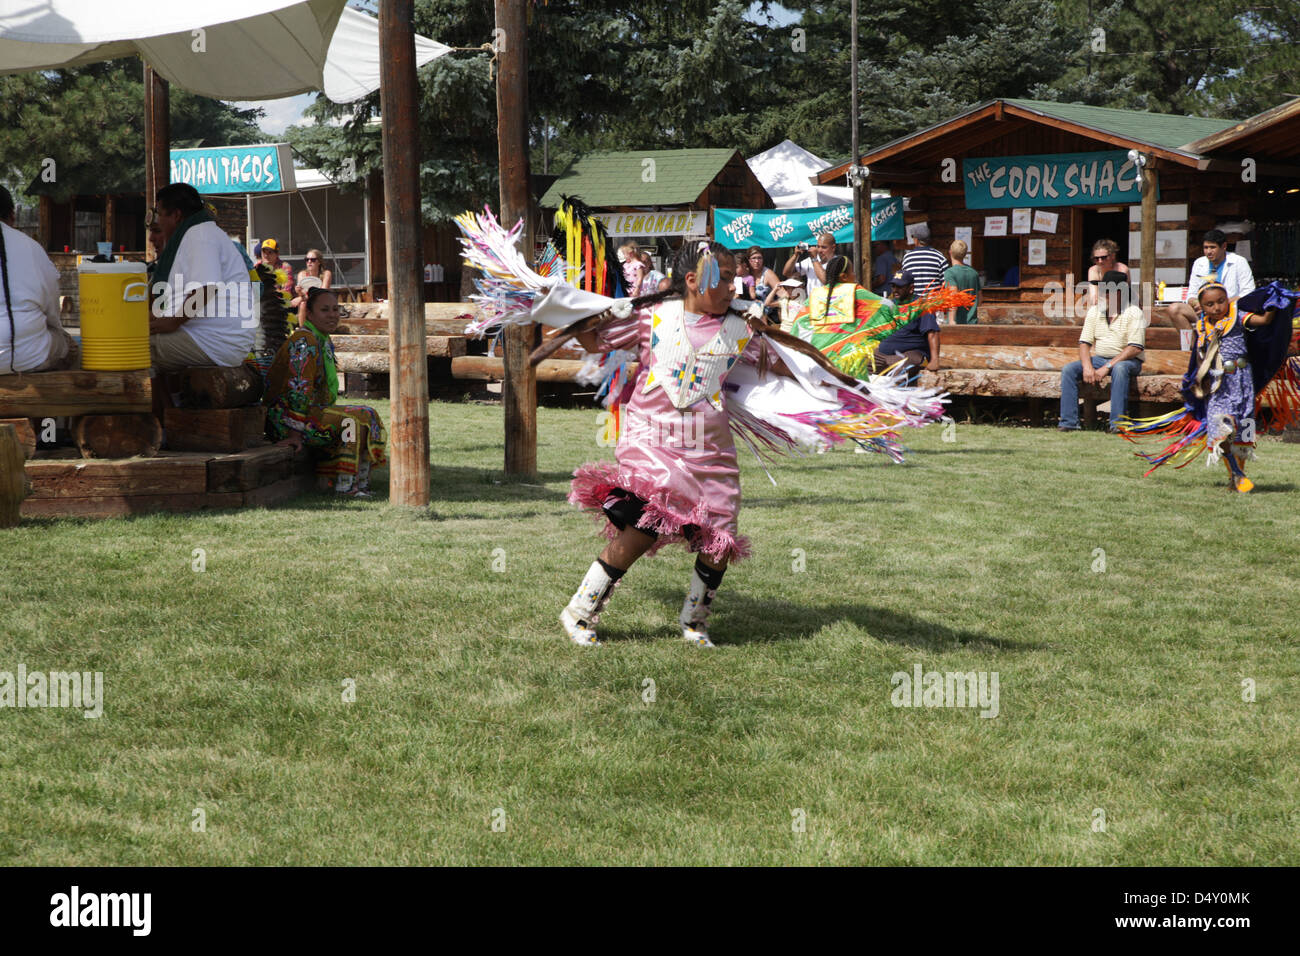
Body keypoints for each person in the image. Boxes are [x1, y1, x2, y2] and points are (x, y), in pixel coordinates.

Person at [1119, 281, 1299, 491]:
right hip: (1217, 387)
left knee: (1242, 433)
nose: (1217, 307)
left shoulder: (1237, 317)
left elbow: (1265, 320)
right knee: (1222, 429)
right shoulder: (1203, 327)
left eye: (1221, 302)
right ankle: (1238, 474)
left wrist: (1273, 301)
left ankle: (1236, 476)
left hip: (1241, 383)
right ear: (1202, 308)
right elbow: (1198, 358)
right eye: (1211, 304)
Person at [264, 287, 387, 496]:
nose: (332, 315)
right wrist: (294, 433)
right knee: (352, 422)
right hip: (284, 419)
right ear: (309, 314)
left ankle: (360, 483)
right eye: (325, 310)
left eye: (335, 309)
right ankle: (344, 485)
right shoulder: (305, 341)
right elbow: (298, 390)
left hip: (310, 413)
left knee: (369, 414)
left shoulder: (322, 339)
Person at [148, 183, 256, 372]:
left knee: (127, 346)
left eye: (160, 215)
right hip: (207, 337)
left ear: (176, 215)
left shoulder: (200, 235)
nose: (159, 222)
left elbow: (206, 288)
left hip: (215, 342)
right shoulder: (198, 233)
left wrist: (171, 322)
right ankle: (167, 402)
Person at [0, 185, 77, 373]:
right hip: (23, 358)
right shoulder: (30, 247)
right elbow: (52, 311)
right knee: (68, 344)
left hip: (18, 354)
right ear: (12, 216)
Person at [1057, 271, 1145, 432]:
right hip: (1100, 358)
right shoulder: (1094, 311)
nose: (1103, 293)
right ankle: (1068, 422)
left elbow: (1135, 348)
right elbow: (1084, 343)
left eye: (1107, 290)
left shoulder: (1134, 313)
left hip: (1129, 361)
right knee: (1069, 369)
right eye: (1103, 289)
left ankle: (1117, 424)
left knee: (1119, 368)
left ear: (1120, 292)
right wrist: (1087, 366)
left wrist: (1107, 367)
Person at [788, 256, 902, 379]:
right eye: (852, 271)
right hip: (848, 364)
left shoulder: (815, 295)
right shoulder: (855, 291)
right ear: (844, 277)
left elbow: (798, 324)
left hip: (815, 363)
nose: (855, 275)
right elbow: (888, 307)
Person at [1167, 229, 1255, 331]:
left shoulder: (1239, 262)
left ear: (1224, 246)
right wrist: (1198, 304)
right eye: (1206, 247)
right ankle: (1195, 345)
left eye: (1212, 247)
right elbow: (1191, 295)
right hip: (1204, 311)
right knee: (1174, 309)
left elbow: (1248, 292)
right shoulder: (1199, 263)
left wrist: (1223, 304)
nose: (1208, 252)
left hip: (1230, 311)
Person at [873, 271, 941, 374]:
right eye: (893, 286)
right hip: (884, 355)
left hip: (910, 354)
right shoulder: (890, 305)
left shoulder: (921, 306)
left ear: (911, 288)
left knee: (899, 369)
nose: (895, 290)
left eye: (899, 287)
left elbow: (932, 333)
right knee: (859, 363)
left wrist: (935, 360)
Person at [901, 223, 948, 296]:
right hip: (934, 304)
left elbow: (904, 281)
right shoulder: (939, 257)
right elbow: (945, 284)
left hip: (914, 305)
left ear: (916, 240)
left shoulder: (907, 258)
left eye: (913, 237)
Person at [942, 240, 981, 325]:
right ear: (965, 254)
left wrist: (952, 320)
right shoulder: (974, 273)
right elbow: (980, 299)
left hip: (958, 323)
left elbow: (953, 297)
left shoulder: (950, 273)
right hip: (972, 322)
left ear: (950, 252)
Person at [1085, 239, 1129, 308]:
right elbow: (1094, 298)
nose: (1100, 261)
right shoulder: (1093, 270)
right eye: (1096, 258)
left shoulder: (1121, 269)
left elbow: (1122, 296)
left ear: (1113, 256)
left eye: (1104, 257)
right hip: (1102, 305)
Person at [745, 246, 780, 324]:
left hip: (766, 320)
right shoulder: (744, 273)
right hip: (746, 316)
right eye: (753, 258)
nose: (757, 261)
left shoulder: (768, 274)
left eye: (759, 258)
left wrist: (769, 304)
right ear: (748, 260)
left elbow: (784, 295)